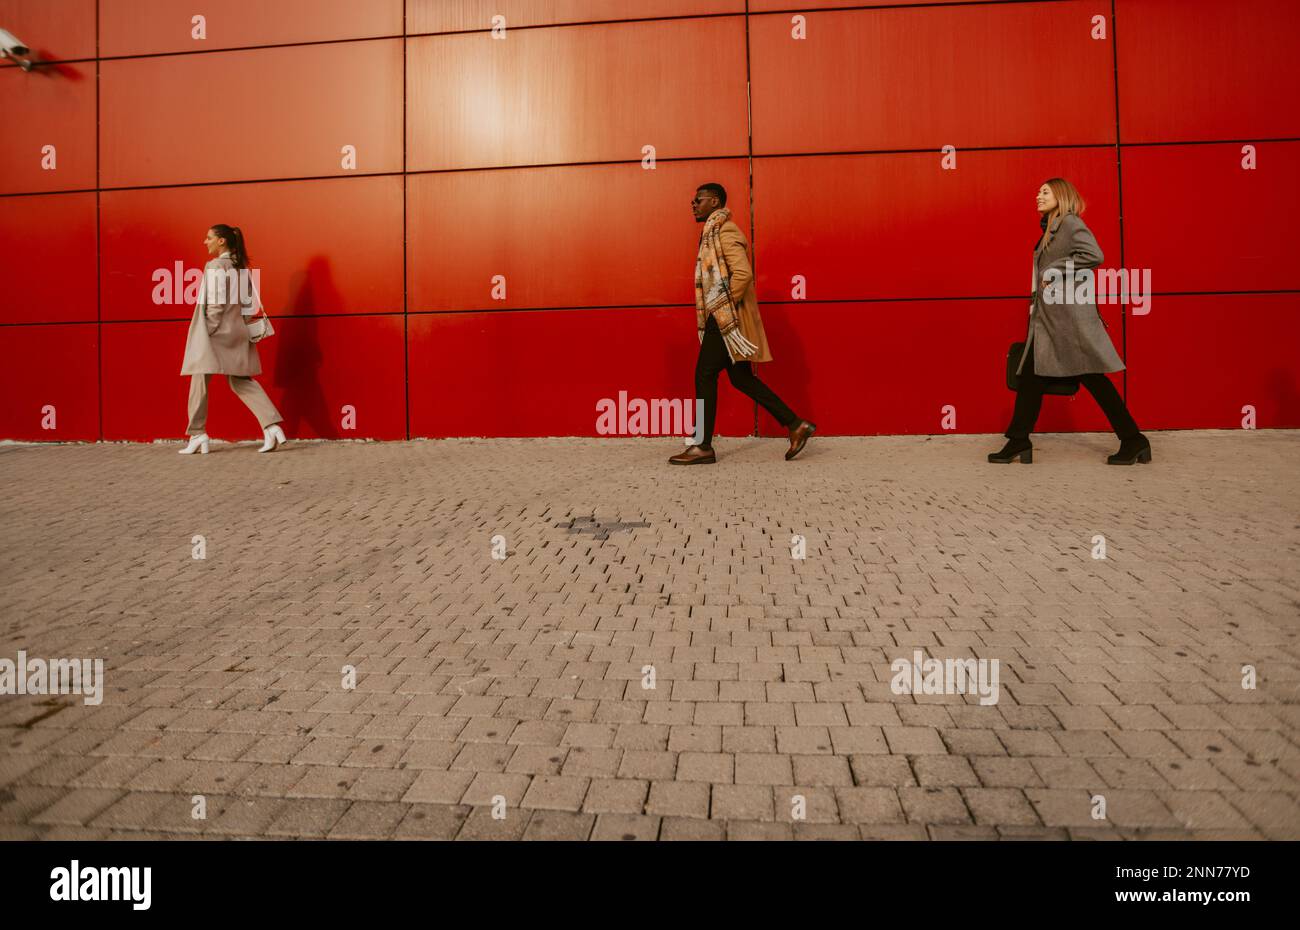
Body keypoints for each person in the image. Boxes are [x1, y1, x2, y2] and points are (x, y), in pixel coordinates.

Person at [989, 178, 1150, 466]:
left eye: (1045, 191)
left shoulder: (1070, 223)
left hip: (1069, 324)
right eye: (1037, 191)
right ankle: (1018, 440)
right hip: (1050, 321)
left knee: (1094, 380)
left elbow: (1094, 255)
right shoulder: (1050, 227)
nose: (1037, 195)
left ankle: (1134, 440)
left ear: (1060, 196)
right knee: (1029, 377)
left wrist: (1054, 268)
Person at [670, 183, 816, 465]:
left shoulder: (725, 231)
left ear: (714, 202)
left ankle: (702, 445)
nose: (693, 204)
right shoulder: (712, 232)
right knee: (740, 378)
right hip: (725, 318)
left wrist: (720, 306)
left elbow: (743, 274)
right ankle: (795, 424)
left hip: (726, 320)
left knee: (704, 375)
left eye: (697, 200)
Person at [178, 224, 286, 454]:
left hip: (217, 332)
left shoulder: (216, 266)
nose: (204, 242)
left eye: (208, 238)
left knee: (199, 374)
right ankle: (272, 426)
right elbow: (248, 306)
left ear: (222, 241)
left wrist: (208, 330)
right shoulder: (241, 268)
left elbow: (215, 304)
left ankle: (198, 434)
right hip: (238, 329)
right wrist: (238, 325)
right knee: (240, 380)